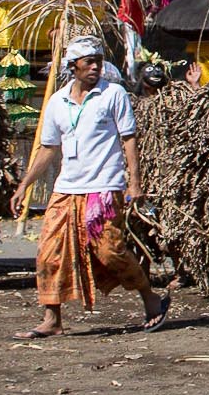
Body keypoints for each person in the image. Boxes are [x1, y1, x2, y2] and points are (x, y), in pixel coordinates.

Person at [15, 35, 169, 338]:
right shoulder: (57, 102)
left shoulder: (113, 94)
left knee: (110, 251)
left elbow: (128, 139)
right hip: (66, 189)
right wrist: (25, 185)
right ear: (73, 66)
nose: (95, 67)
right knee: (49, 254)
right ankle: (52, 318)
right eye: (89, 62)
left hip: (104, 188)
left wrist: (134, 183)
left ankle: (151, 298)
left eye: (98, 62)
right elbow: (49, 148)